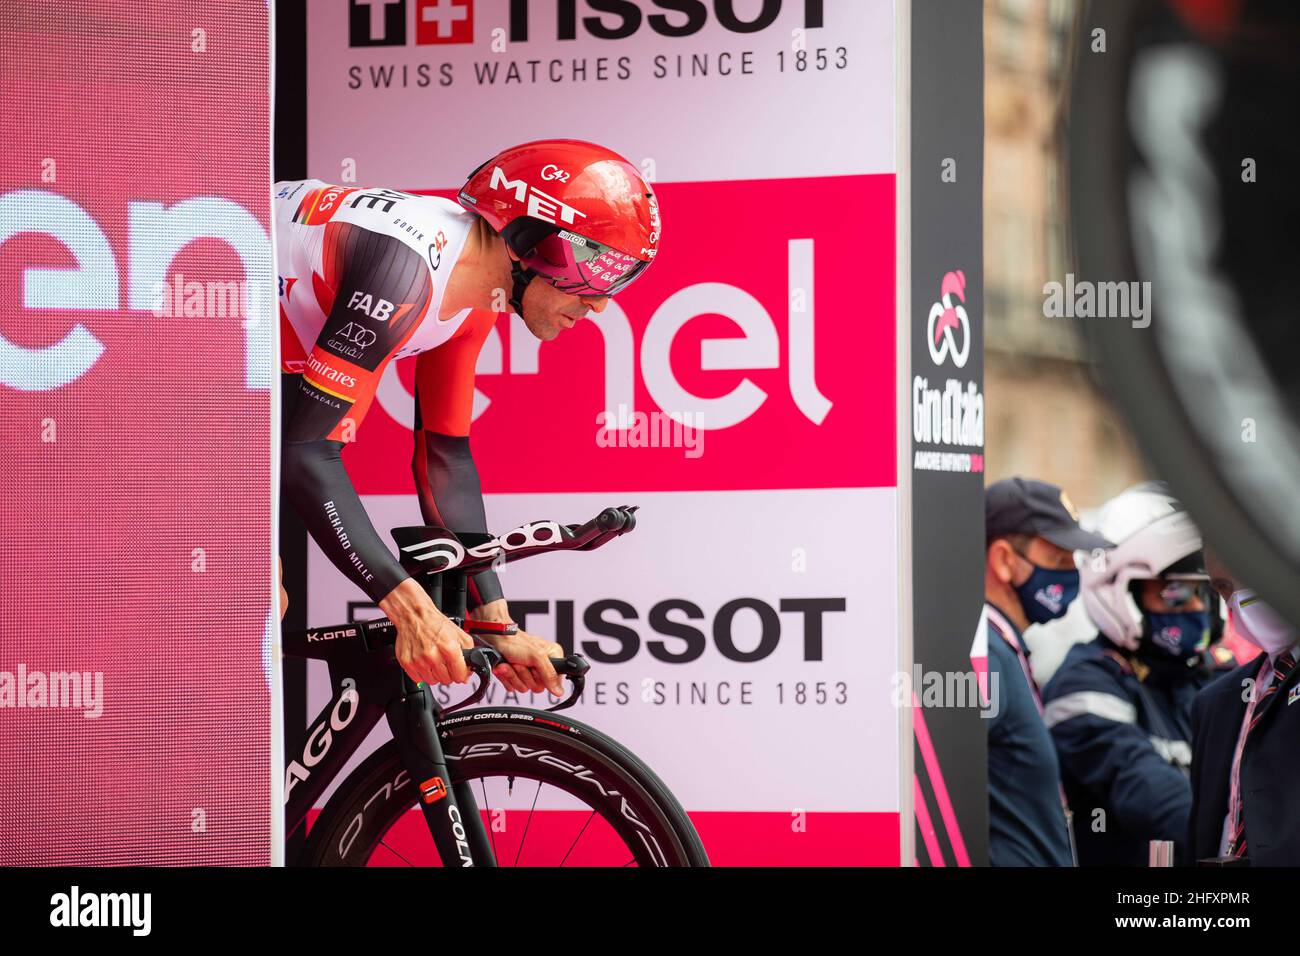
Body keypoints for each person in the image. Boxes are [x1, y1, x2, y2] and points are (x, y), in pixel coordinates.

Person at [274, 140, 660, 695]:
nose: (599, 303)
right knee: (251, 596)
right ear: (531, 242)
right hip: (179, 314)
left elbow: (444, 458)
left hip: (253, 356)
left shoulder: (479, 292)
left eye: (618, 278)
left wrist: (494, 622)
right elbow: (306, 453)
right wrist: (409, 608)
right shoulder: (404, 271)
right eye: (596, 271)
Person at [1042, 483, 1231, 866]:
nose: (1194, 606)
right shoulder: (1083, 685)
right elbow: (1149, 791)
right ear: (1118, 590)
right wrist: (1241, 837)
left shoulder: (1222, 675)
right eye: (1174, 592)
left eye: (1203, 592)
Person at [984, 477, 1114, 866]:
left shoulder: (1004, 649)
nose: (1070, 573)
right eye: (1058, 558)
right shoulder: (984, 654)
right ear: (1005, 559)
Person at [1187, 549, 1300, 865]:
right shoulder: (1216, 702)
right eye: (1224, 587)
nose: (1239, 601)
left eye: (1253, 580)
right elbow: (1202, 834)